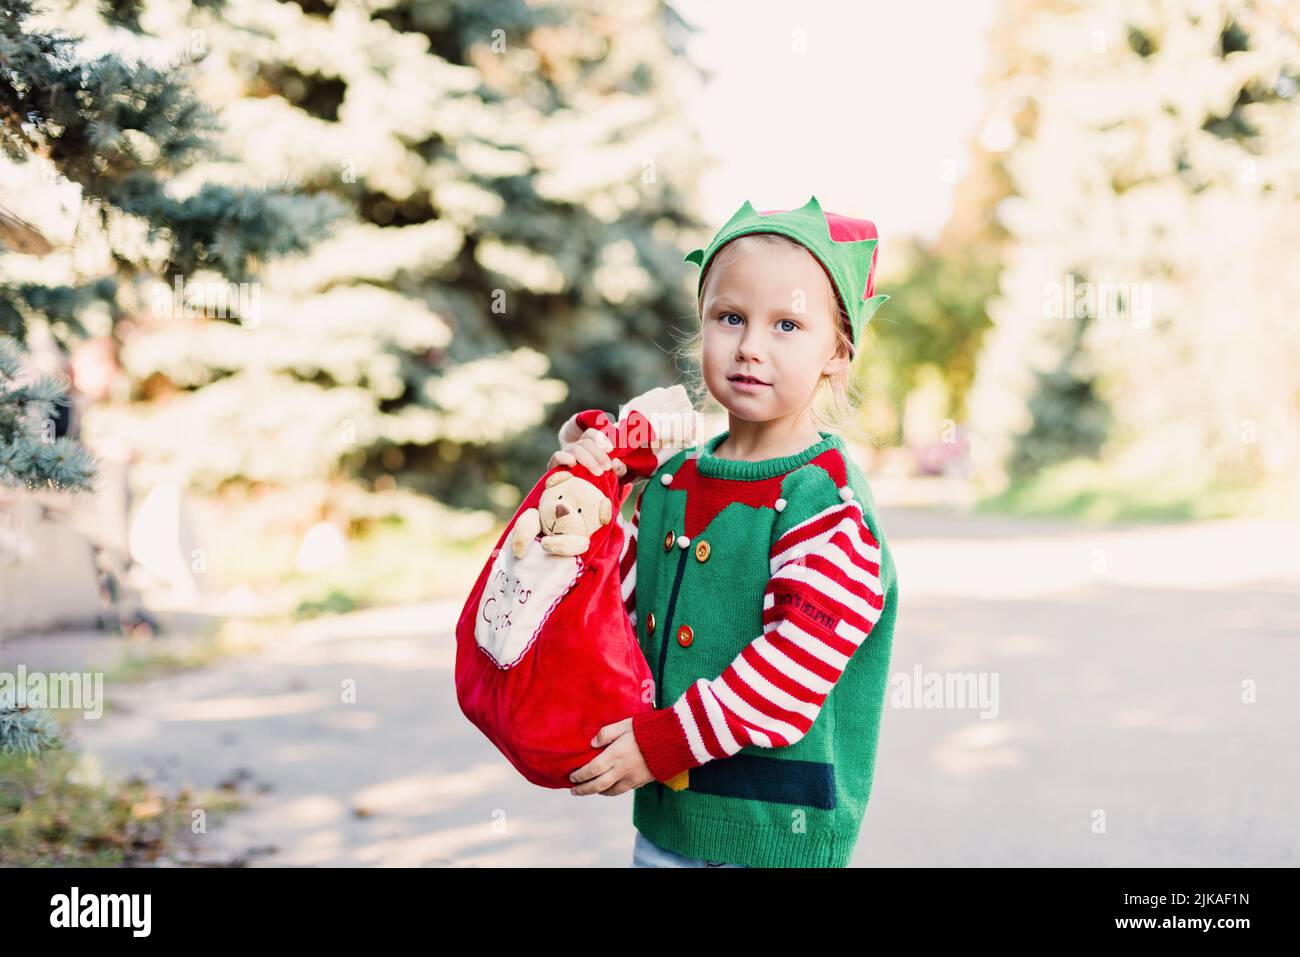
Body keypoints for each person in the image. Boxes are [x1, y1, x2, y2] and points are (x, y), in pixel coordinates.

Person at [551, 196, 899, 868]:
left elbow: (792, 671)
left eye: (788, 324)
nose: (750, 347)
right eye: (730, 317)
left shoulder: (825, 503)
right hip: (669, 827)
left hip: (774, 835)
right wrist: (589, 497)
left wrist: (660, 744)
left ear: (837, 351)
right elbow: (627, 605)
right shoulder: (676, 477)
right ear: (701, 325)